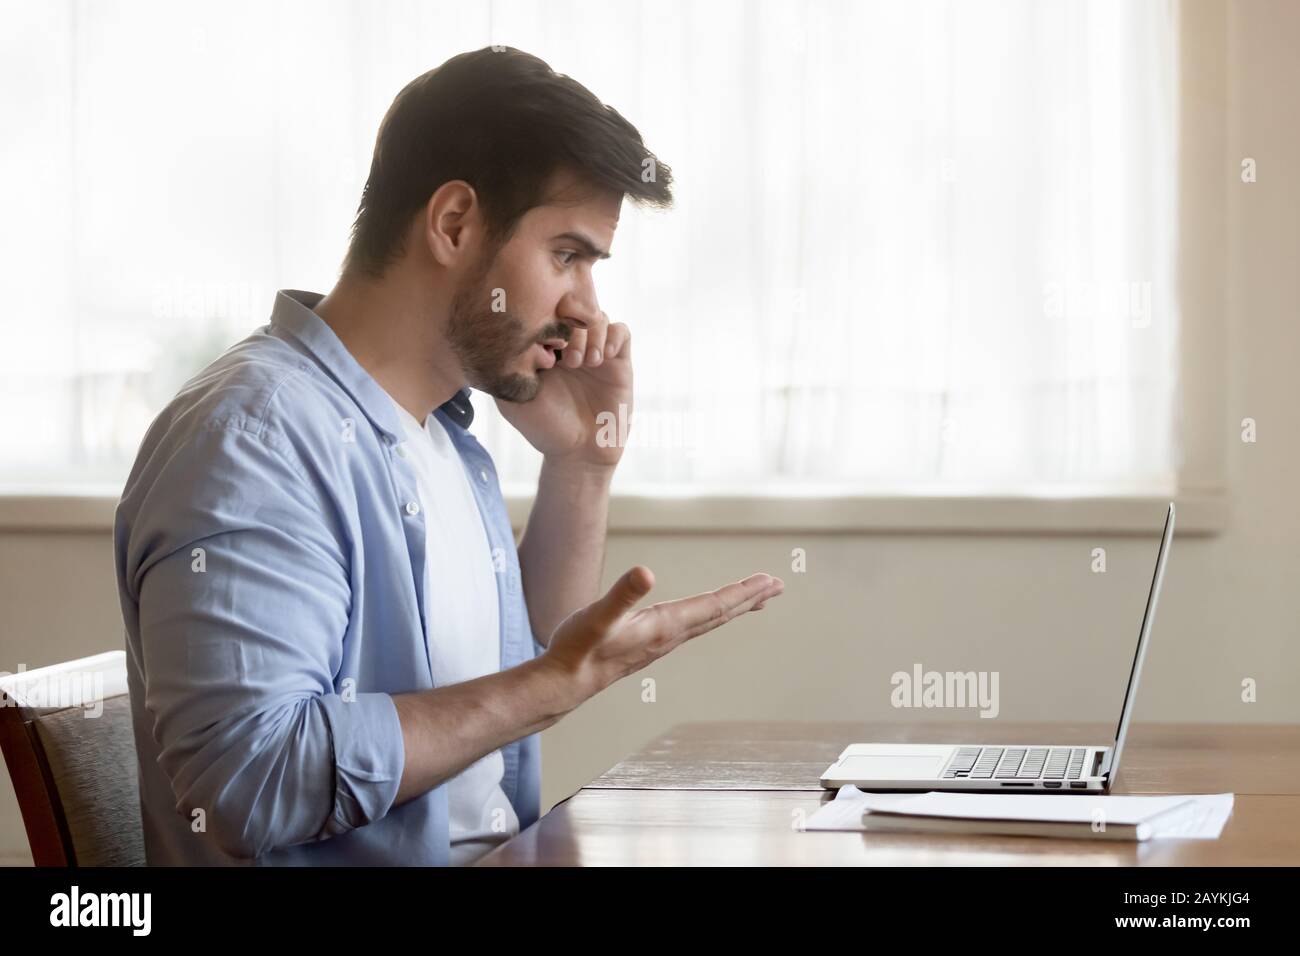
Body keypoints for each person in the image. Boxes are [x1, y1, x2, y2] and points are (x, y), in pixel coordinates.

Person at [114, 46, 784, 866]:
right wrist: (547, 686)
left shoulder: (446, 437)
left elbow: (519, 670)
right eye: (567, 256)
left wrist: (581, 467)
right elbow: (248, 783)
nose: (588, 311)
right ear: (455, 223)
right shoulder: (258, 438)